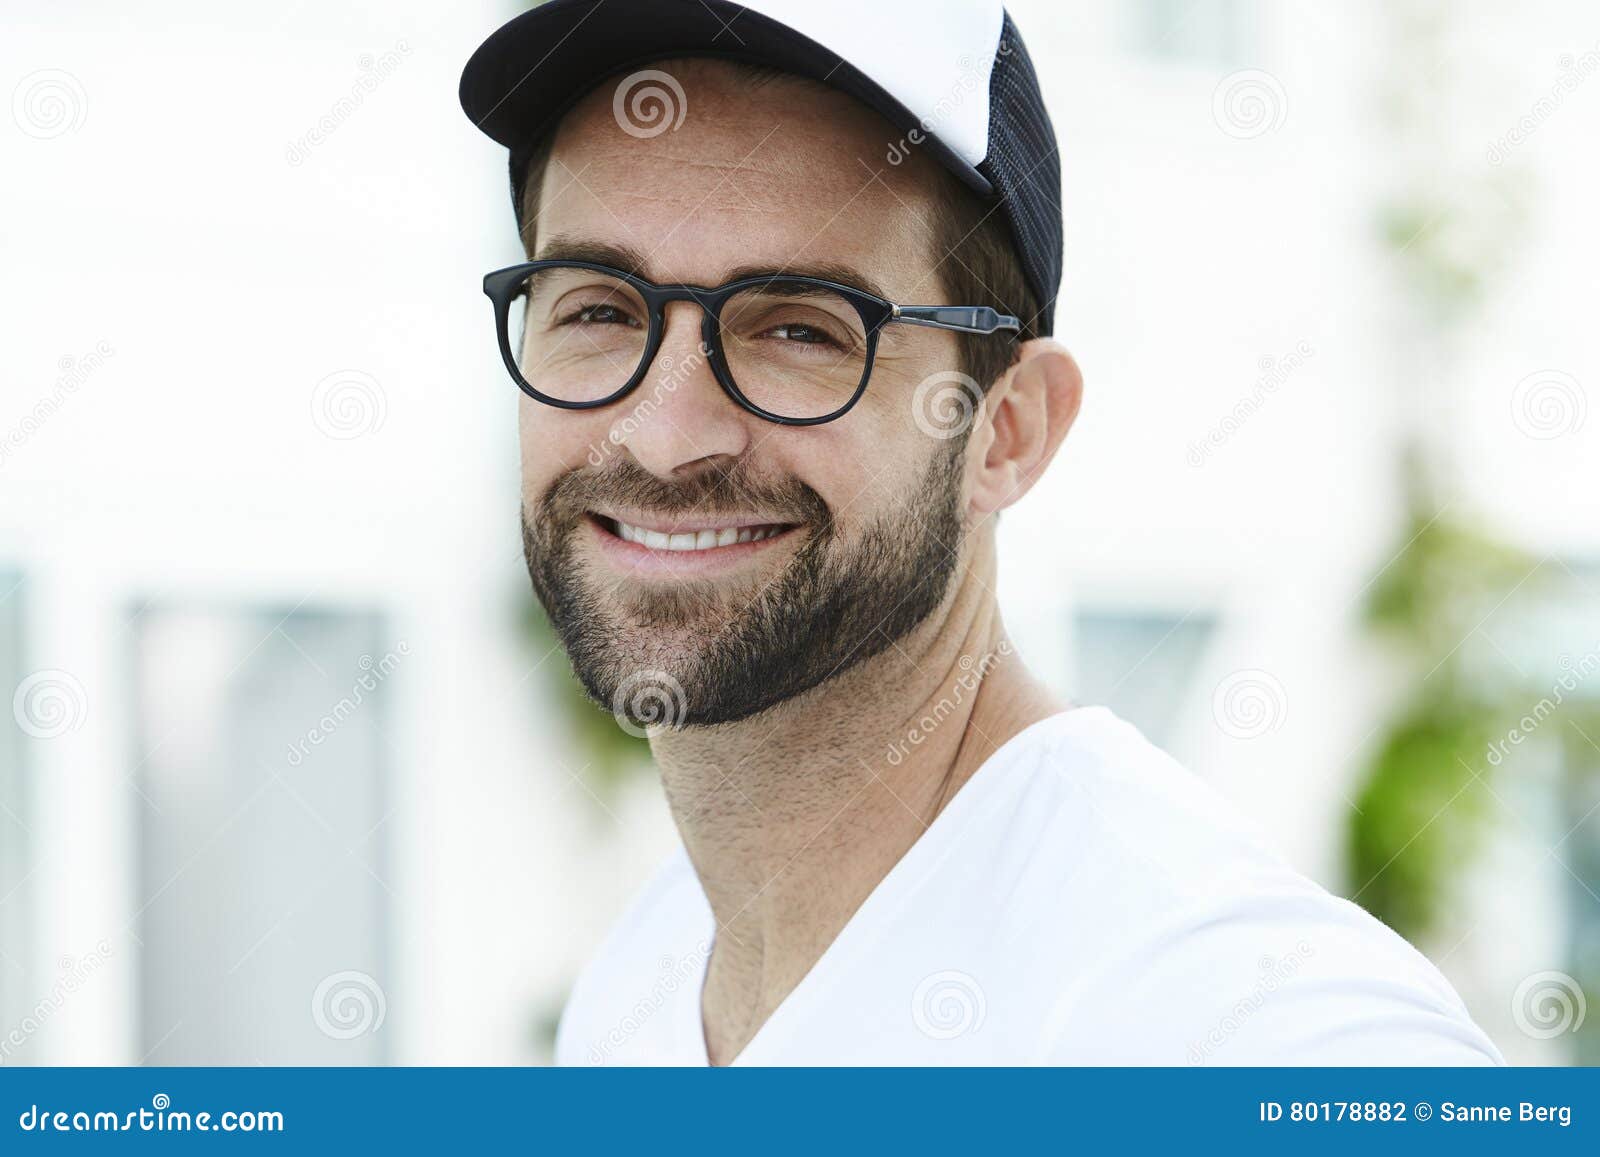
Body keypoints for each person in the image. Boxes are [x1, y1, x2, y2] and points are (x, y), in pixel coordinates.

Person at [459, 0, 1502, 1066]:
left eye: (798, 328)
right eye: (597, 310)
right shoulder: (642, 985)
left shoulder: (1254, 1027)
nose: (665, 433)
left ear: (1007, 429)